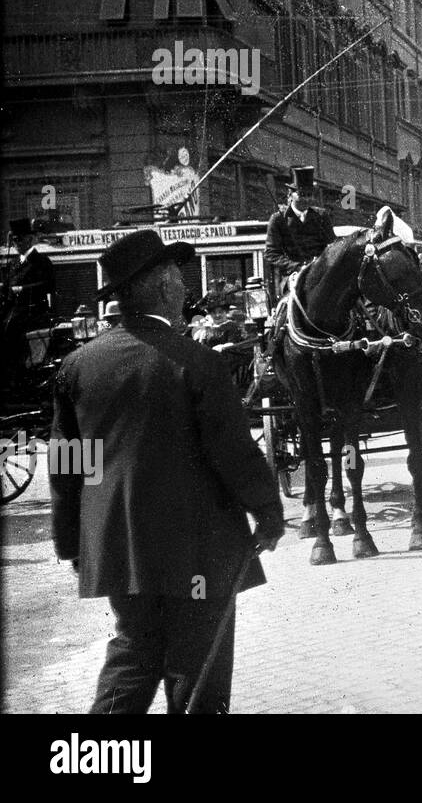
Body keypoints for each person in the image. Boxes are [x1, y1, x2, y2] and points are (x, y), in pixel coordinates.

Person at [50, 229, 284, 714]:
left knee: (133, 654)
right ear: (158, 284)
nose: (184, 285)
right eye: (177, 275)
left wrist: (72, 541)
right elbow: (234, 453)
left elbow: (68, 464)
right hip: (198, 548)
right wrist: (268, 512)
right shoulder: (197, 363)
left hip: (121, 548)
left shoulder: (77, 367)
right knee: (198, 671)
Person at [264, 166, 334, 298]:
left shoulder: (322, 216)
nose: (307, 199)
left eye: (309, 195)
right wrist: (295, 266)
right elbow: (271, 253)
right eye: (302, 195)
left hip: (321, 272)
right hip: (292, 276)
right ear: (290, 194)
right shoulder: (278, 219)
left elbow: (331, 245)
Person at [2, 217, 56, 381]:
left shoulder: (41, 262)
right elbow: (6, 288)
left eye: (20, 240)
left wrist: (23, 289)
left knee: (9, 329)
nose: (17, 244)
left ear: (29, 239)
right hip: (13, 309)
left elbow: (49, 286)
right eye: (15, 240)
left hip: (32, 311)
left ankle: (15, 374)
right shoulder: (13, 263)